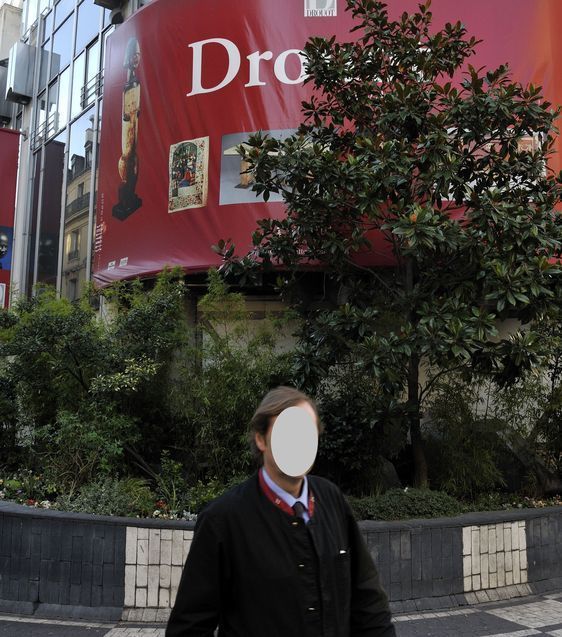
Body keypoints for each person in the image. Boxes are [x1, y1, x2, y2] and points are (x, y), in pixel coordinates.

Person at [166, 386, 396, 637]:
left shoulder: (332, 500)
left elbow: (368, 601)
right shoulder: (223, 520)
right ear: (261, 439)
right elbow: (189, 627)